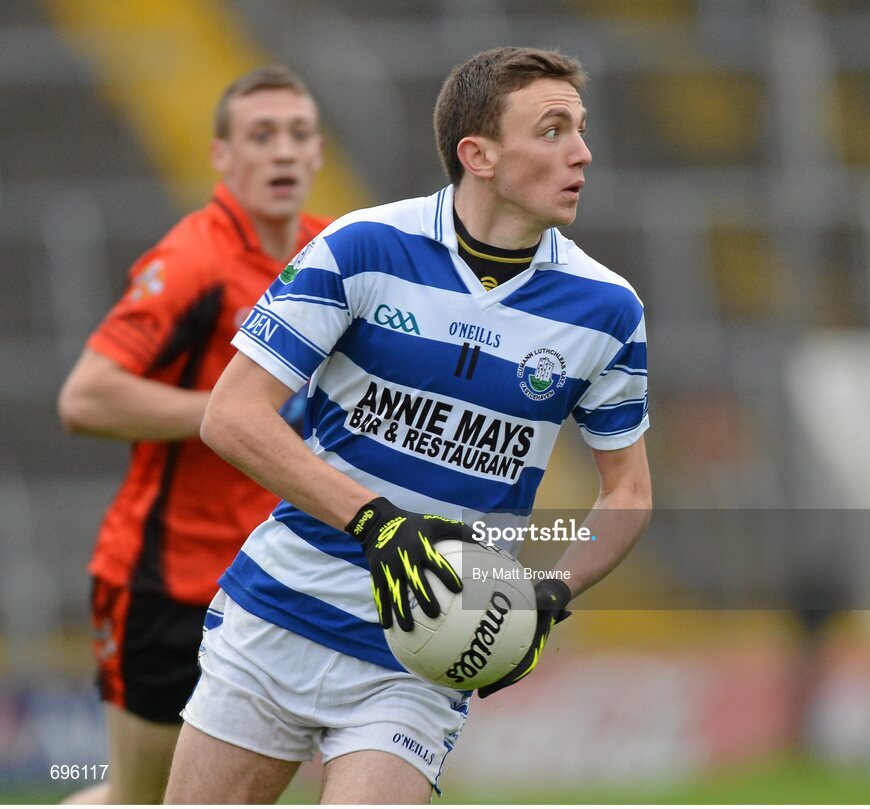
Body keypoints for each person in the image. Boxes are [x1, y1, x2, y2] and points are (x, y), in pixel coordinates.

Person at [163, 46, 653, 805]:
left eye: (581, 129)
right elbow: (232, 416)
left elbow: (626, 494)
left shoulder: (608, 309)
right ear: (478, 154)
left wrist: (552, 588)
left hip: (425, 651)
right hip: (279, 614)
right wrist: (375, 522)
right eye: (553, 130)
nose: (582, 152)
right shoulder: (362, 247)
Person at [56, 65, 330, 804]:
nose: (281, 151)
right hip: (164, 581)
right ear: (222, 156)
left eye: (297, 134)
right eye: (260, 135)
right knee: (140, 798)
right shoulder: (195, 260)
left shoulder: (326, 258)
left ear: (318, 154)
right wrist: (230, 411)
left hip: (266, 580)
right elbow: (86, 396)